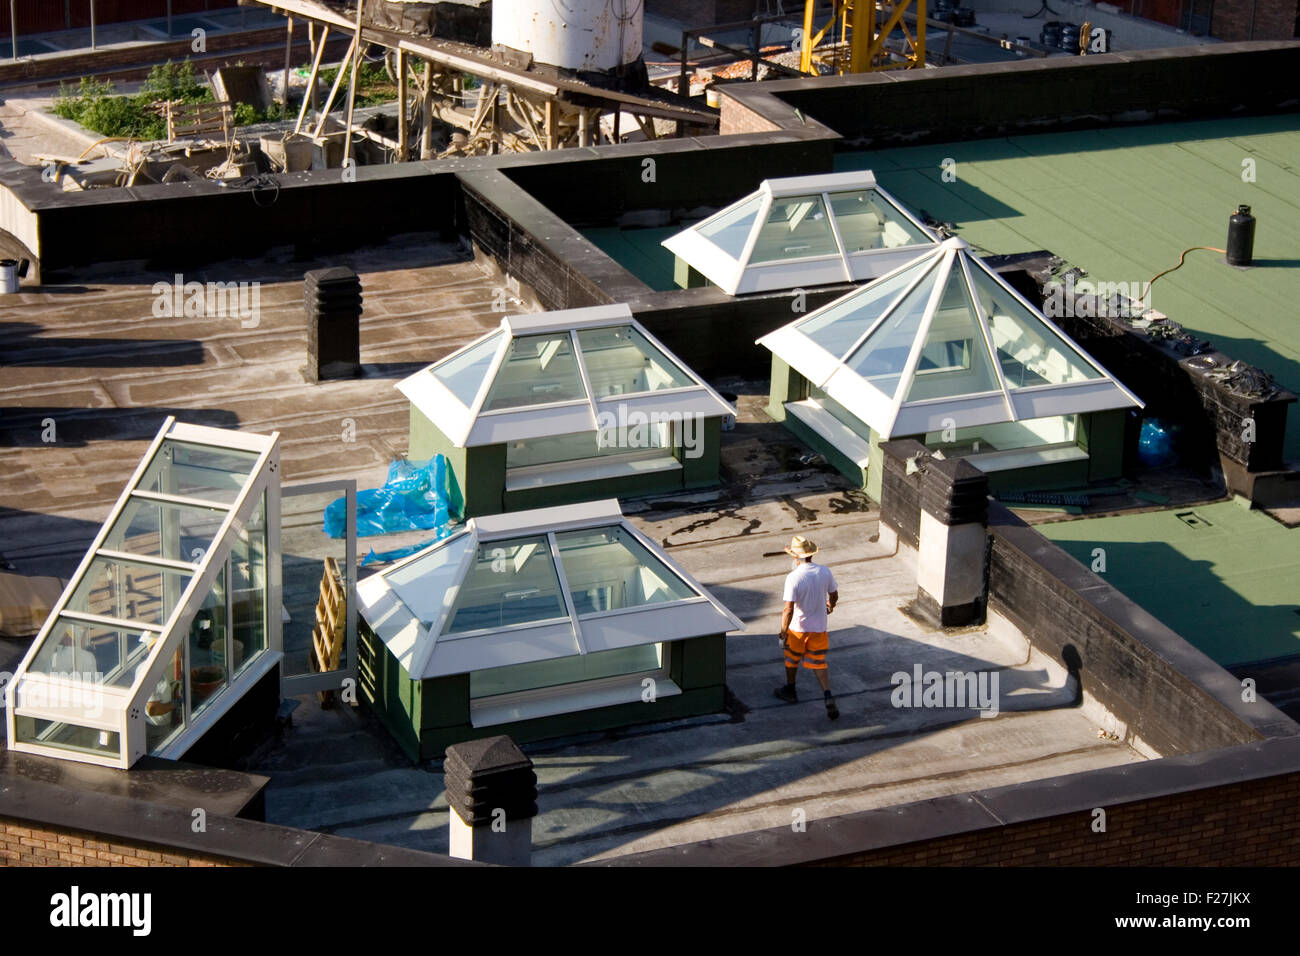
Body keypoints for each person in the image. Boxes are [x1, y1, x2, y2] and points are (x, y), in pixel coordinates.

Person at [775, 535, 839, 719]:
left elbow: (788, 609)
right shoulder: (824, 572)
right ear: (811, 555)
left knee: (791, 659)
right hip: (819, 627)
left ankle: (790, 690)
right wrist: (830, 606)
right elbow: (834, 594)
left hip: (798, 629)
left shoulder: (793, 578)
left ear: (796, 558)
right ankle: (827, 695)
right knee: (819, 662)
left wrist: (783, 633)